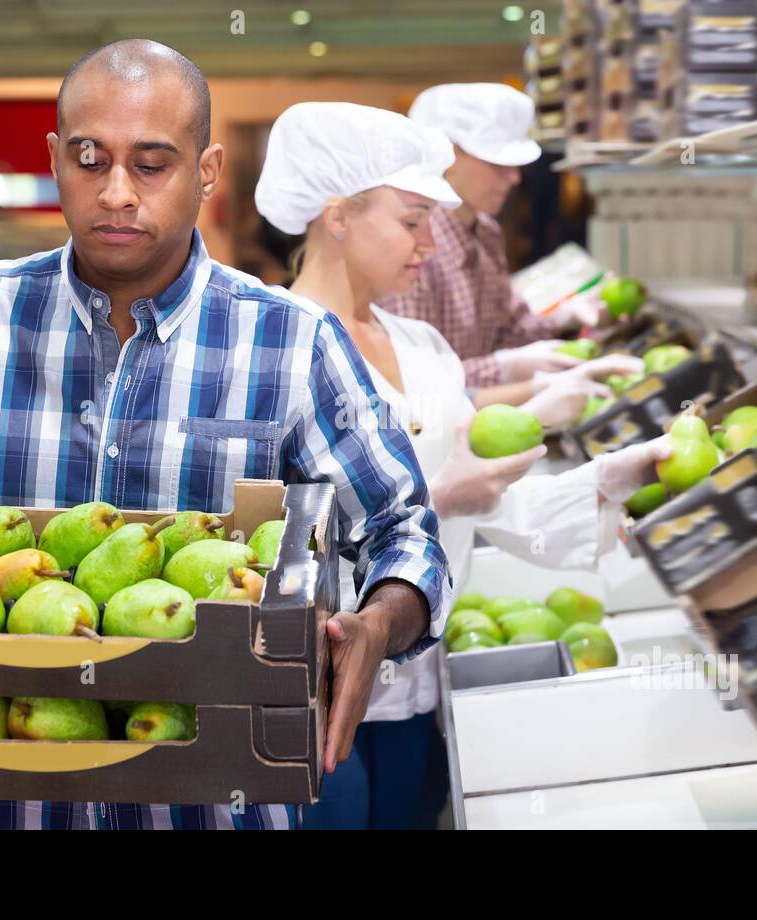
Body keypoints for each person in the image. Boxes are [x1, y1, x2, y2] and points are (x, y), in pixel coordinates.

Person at [0, 41, 450, 831]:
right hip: (9, 805)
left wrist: (377, 622)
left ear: (206, 171)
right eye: (90, 160)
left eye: (153, 164)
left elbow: (405, 534)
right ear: (56, 160)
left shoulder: (291, 342)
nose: (117, 193)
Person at [254, 102, 670, 830]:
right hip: (316, 698)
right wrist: (436, 500)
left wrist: (619, 475)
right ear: (337, 216)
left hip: (419, 684)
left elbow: (495, 506)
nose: (426, 246)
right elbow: (262, 551)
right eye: (411, 222)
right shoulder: (270, 350)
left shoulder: (424, 351)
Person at [378, 82, 606, 391]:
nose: (514, 178)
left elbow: (509, 328)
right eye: (498, 163)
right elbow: (412, 381)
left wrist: (564, 318)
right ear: (448, 155)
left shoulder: (486, 231)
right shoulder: (411, 245)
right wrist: (503, 367)